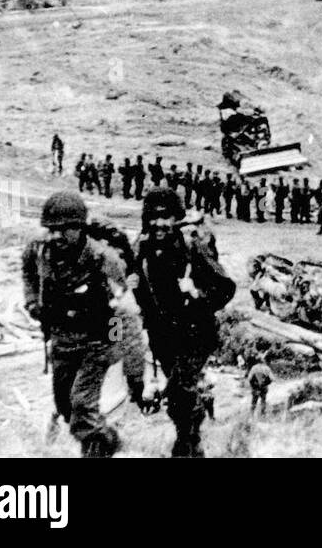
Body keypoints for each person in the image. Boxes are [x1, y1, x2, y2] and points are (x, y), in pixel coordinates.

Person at [132, 189, 236, 457]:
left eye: (166, 217)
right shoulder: (141, 251)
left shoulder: (192, 247)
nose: (159, 224)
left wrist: (196, 292)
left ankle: (189, 446)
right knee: (180, 396)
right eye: (153, 218)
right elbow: (138, 292)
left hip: (196, 333)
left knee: (179, 388)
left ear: (176, 219)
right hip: (163, 337)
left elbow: (225, 288)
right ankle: (188, 436)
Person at [21, 191, 122, 457]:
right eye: (51, 230)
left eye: (64, 230)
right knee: (66, 407)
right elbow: (28, 272)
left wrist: (115, 343)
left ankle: (98, 449)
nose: (56, 236)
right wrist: (32, 302)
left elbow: (123, 303)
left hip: (96, 342)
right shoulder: (39, 250)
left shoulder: (101, 257)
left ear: (80, 228)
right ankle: (106, 439)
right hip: (61, 341)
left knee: (82, 407)